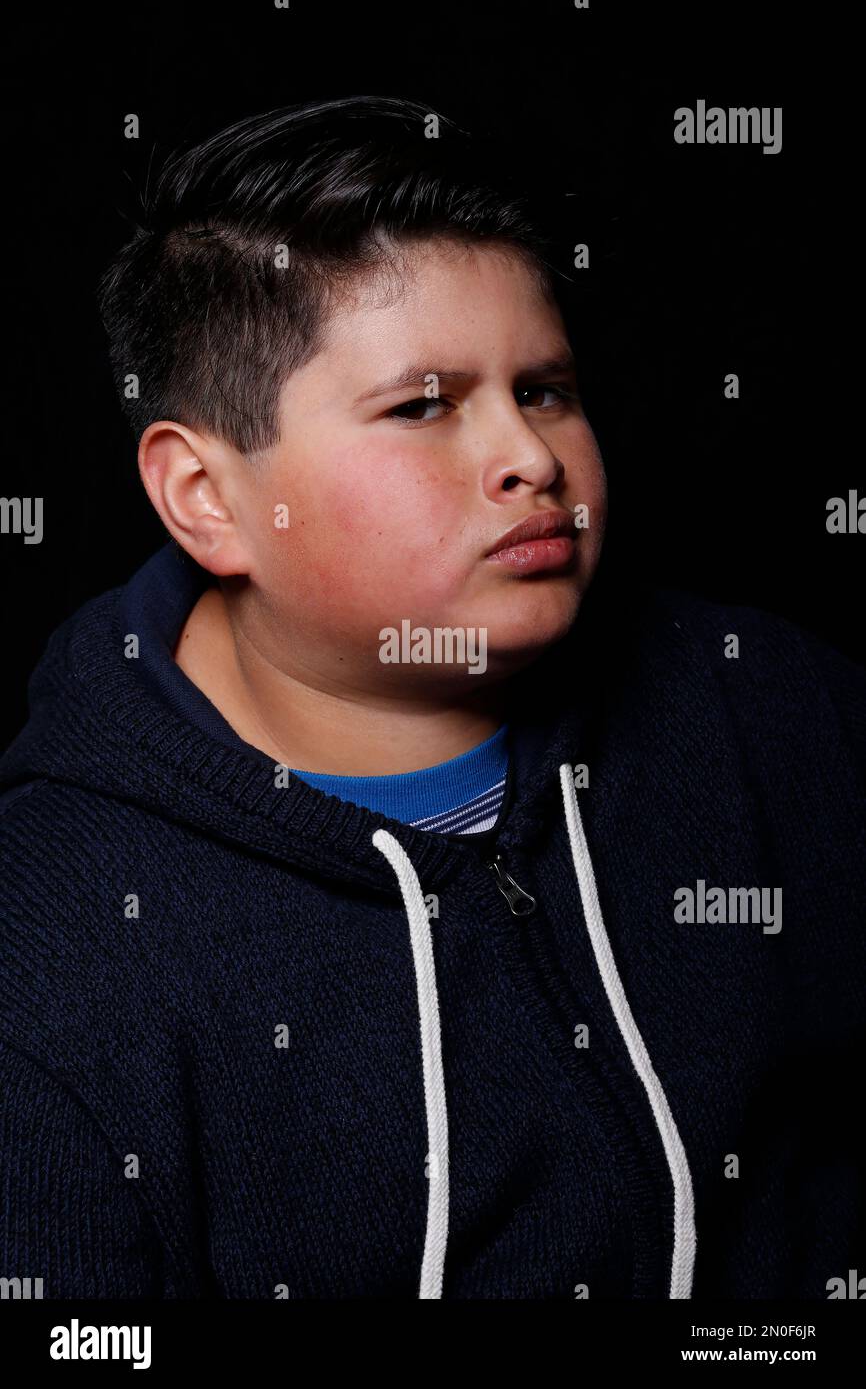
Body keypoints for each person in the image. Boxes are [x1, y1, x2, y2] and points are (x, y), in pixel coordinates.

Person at [0, 95, 863, 1300]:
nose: (532, 459)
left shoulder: (784, 713)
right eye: (423, 406)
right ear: (206, 495)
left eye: (547, 388)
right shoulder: (50, 945)